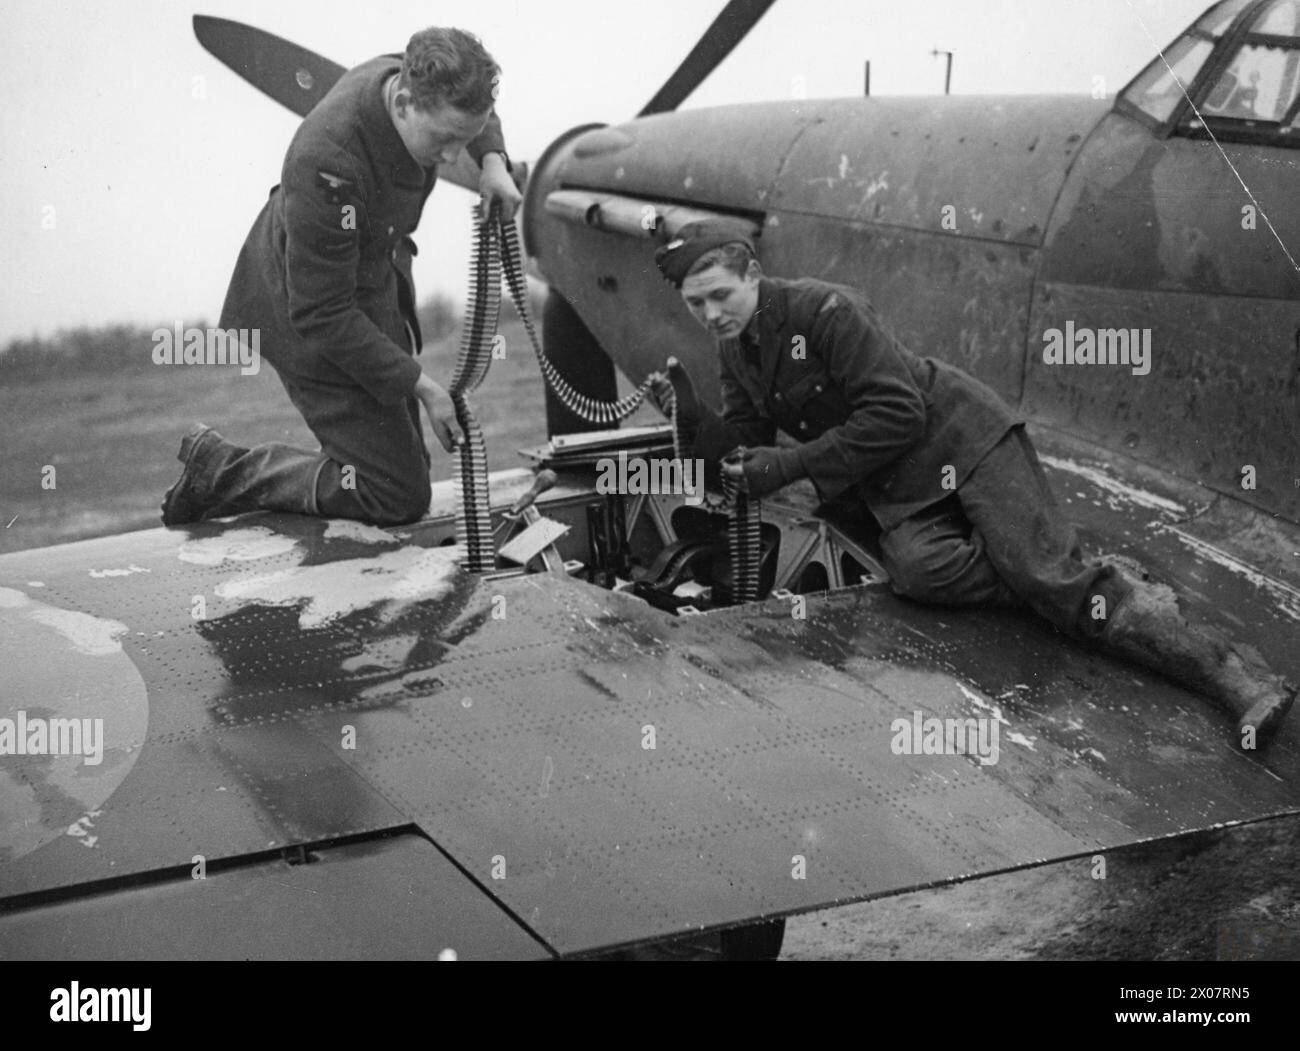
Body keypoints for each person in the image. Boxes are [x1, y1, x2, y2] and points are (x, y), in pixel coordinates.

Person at [652, 219, 1295, 746]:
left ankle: (1232, 678)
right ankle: (1066, 583)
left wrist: (788, 466)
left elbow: (897, 412)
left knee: (1047, 577)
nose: (710, 314)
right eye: (695, 304)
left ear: (753, 276)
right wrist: (698, 424)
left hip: (961, 437)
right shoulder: (738, 349)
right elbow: (748, 438)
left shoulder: (827, 311)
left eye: (720, 296)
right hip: (898, 481)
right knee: (918, 576)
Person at [162, 27, 521, 528]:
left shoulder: (427, 76)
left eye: (460, 141)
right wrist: (422, 385)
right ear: (402, 103)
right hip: (305, 307)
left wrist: (492, 160)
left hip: (370, 283)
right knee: (393, 494)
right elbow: (320, 313)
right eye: (444, 141)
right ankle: (222, 471)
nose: (448, 158)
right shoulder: (327, 159)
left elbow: (477, 106)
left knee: (401, 473)